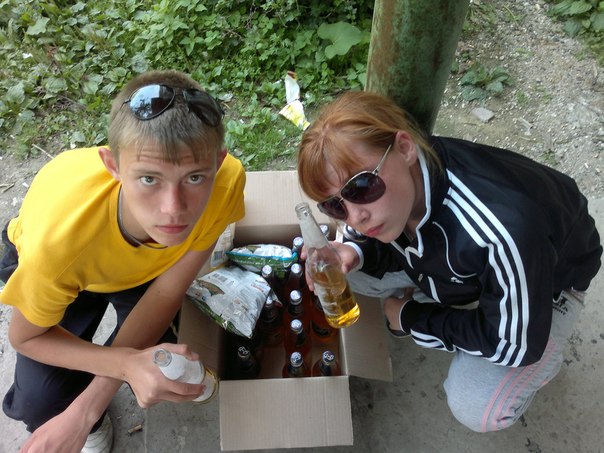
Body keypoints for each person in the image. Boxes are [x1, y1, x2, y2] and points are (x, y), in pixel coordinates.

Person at [297, 90, 602, 432]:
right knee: (340, 271)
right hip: (471, 263)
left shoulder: (498, 233)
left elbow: (515, 346)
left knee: (476, 404)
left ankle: (544, 354)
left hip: (550, 281)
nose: (355, 216)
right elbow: (364, 235)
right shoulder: (397, 192)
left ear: (405, 147)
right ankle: (450, 288)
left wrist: (411, 318)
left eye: (362, 187)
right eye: (335, 205)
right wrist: (356, 251)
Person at [0, 70, 246, 452]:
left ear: (218, 163)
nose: (173, 210)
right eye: (149, 179)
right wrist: (103, 390)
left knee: (170, 358)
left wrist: (95, 396)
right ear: (112, 166)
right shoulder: (57, 243)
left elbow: (165, 293)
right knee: (40, 403)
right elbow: (26, 337)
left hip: (144, 270)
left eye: (195, 178)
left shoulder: (226, 183)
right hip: (73, 268)